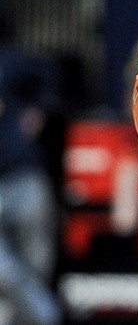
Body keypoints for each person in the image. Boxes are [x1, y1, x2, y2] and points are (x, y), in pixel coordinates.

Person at [0, 22, 62, 325]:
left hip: (24, 174)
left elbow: (51, 76)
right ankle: (47, 317)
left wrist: (39, 110)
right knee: (5, 272)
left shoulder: (10, 59)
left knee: (37, 267)